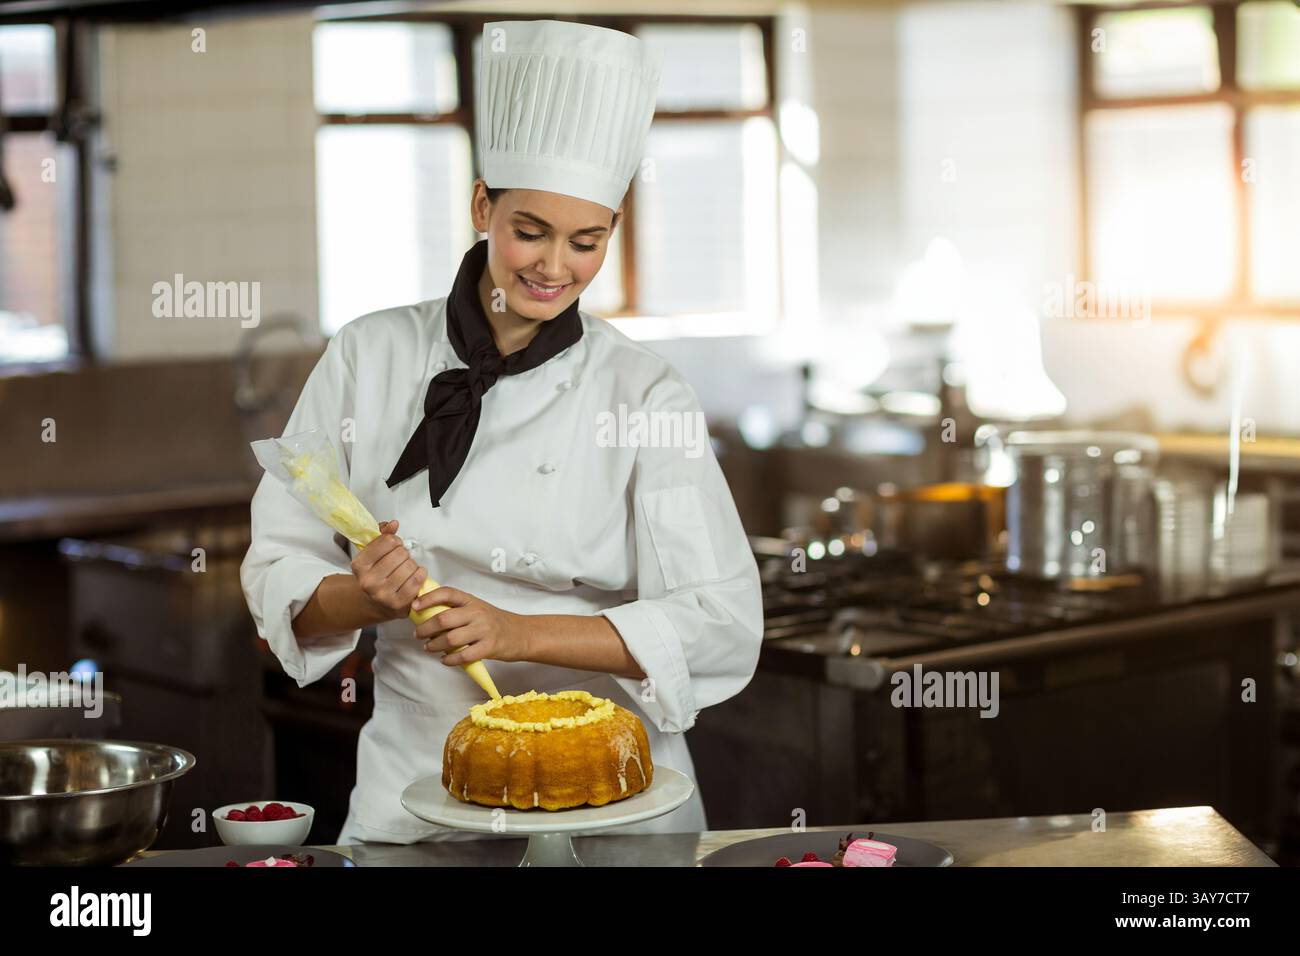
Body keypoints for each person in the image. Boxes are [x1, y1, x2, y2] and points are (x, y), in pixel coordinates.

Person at [240, 19, 763, 845]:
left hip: (611, 795)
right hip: (418, 785)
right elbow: (281, 585)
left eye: (585, 241)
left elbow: (723, 621)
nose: (555, 267)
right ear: (483, 204)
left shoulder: (644, 389)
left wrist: (519, 632)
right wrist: (362, 595)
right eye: (530, 231)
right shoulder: (369, 355)